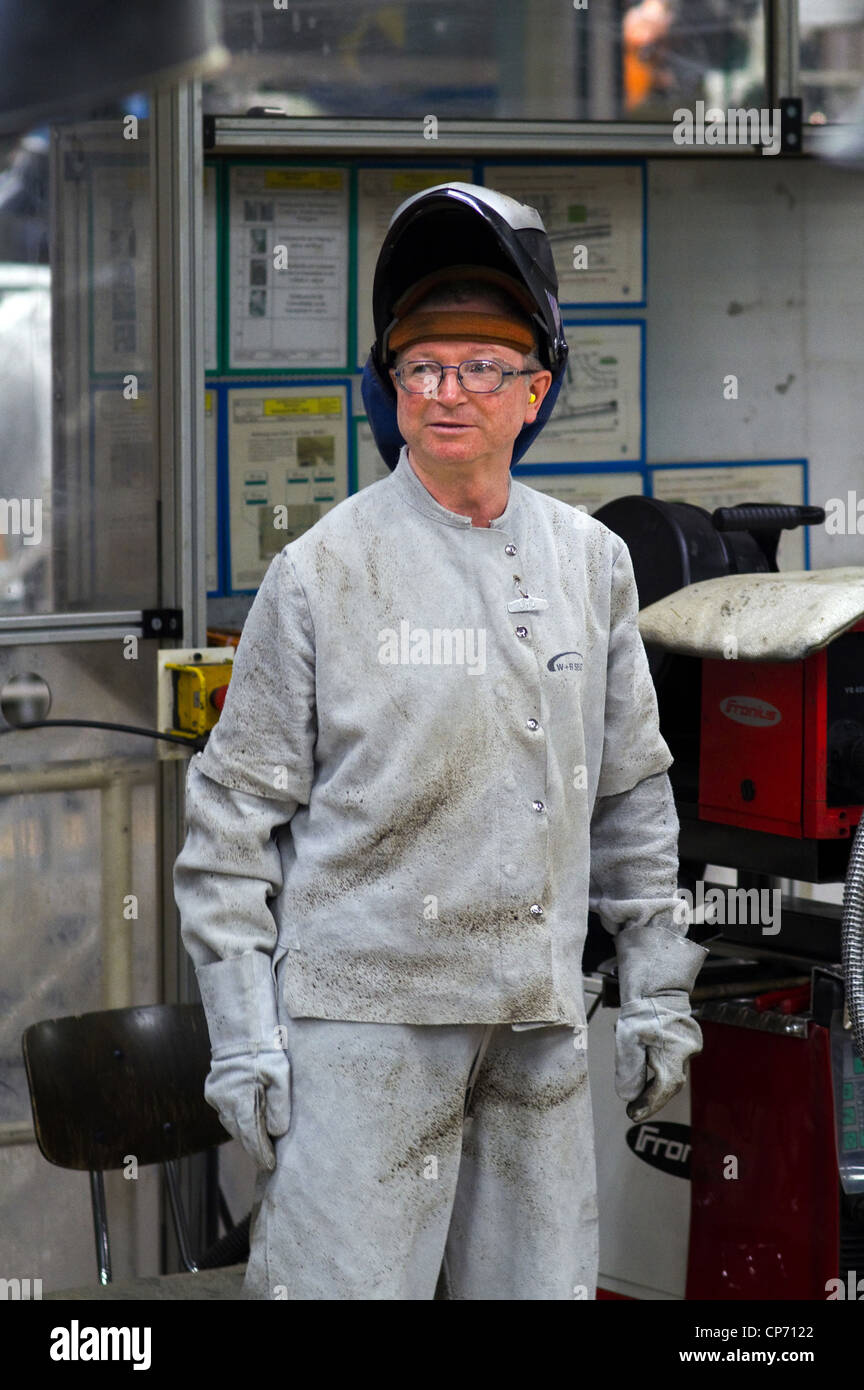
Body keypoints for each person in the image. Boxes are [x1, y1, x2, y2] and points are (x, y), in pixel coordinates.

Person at [173, 182, 707, 1301]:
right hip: (362, 1029)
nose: (447, 391)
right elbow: (228, 830)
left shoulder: (590, 565)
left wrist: (657, 983)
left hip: (535, 1019)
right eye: (421, 366)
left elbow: (631, 798)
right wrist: (242, 1035)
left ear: (536, 389)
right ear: (392, 388)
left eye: (480, 365)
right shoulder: (321, 572)